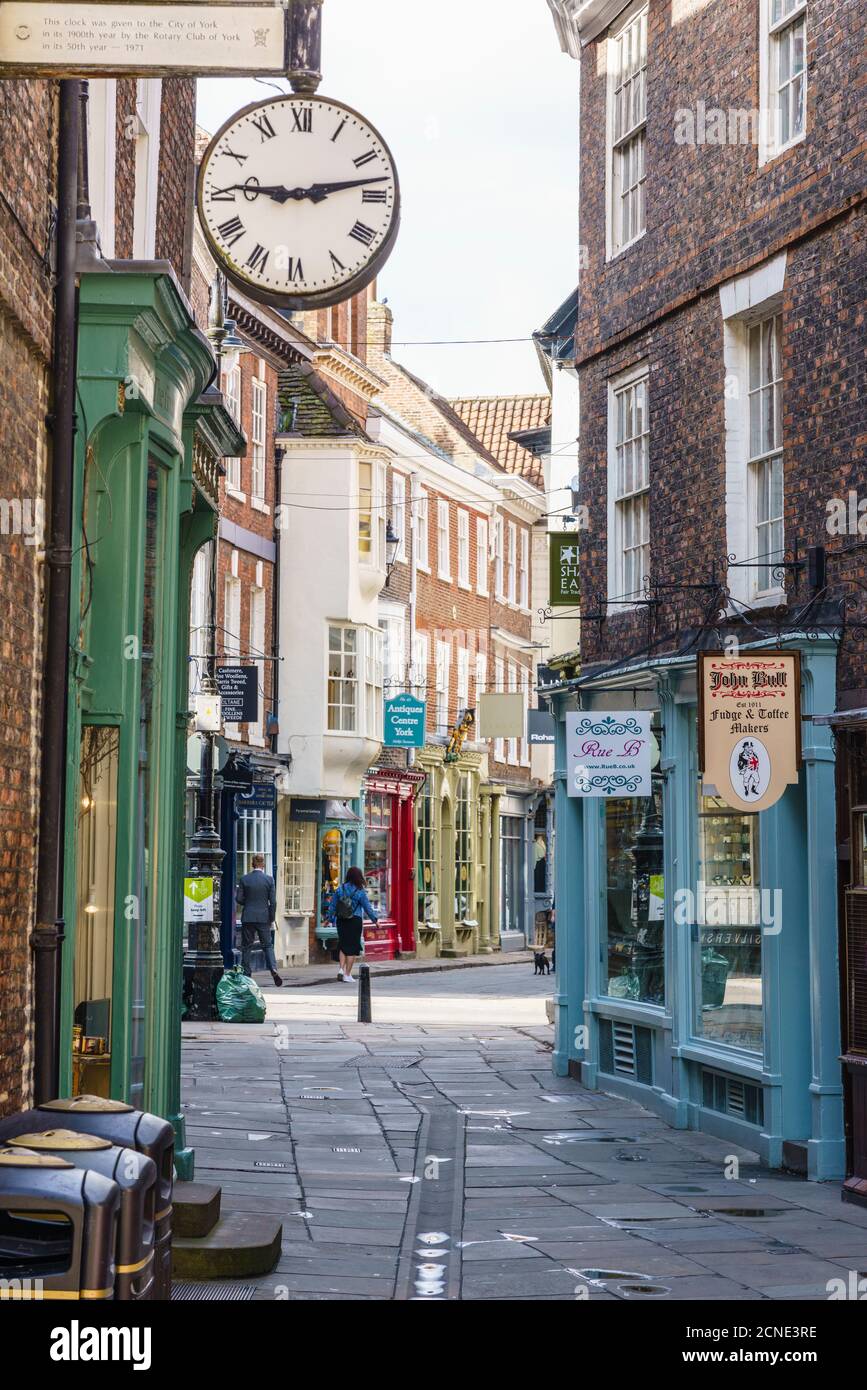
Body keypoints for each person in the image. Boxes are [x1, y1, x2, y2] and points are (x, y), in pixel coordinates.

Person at [236, 853, 282, 987]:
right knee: (267, 945)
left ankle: (246, 974)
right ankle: (273, 969)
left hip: (248, 917)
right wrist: (271, 918)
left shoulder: (245, 879)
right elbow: (273, 902)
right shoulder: (269, 880)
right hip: (263, 917)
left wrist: (248, 903)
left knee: (246, 946)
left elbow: (238, 899)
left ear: (252, 864)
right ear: (263, 865)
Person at [328, 866, 378, 983]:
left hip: (341, 920)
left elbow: (332, 906)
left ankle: (341, 969)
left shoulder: (340, 889)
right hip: (354, 920)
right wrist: (375, 921)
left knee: (343, 945)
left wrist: (330, 918)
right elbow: (367, 908)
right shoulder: (360, 891)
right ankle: (347, 974)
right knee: (352, 948)